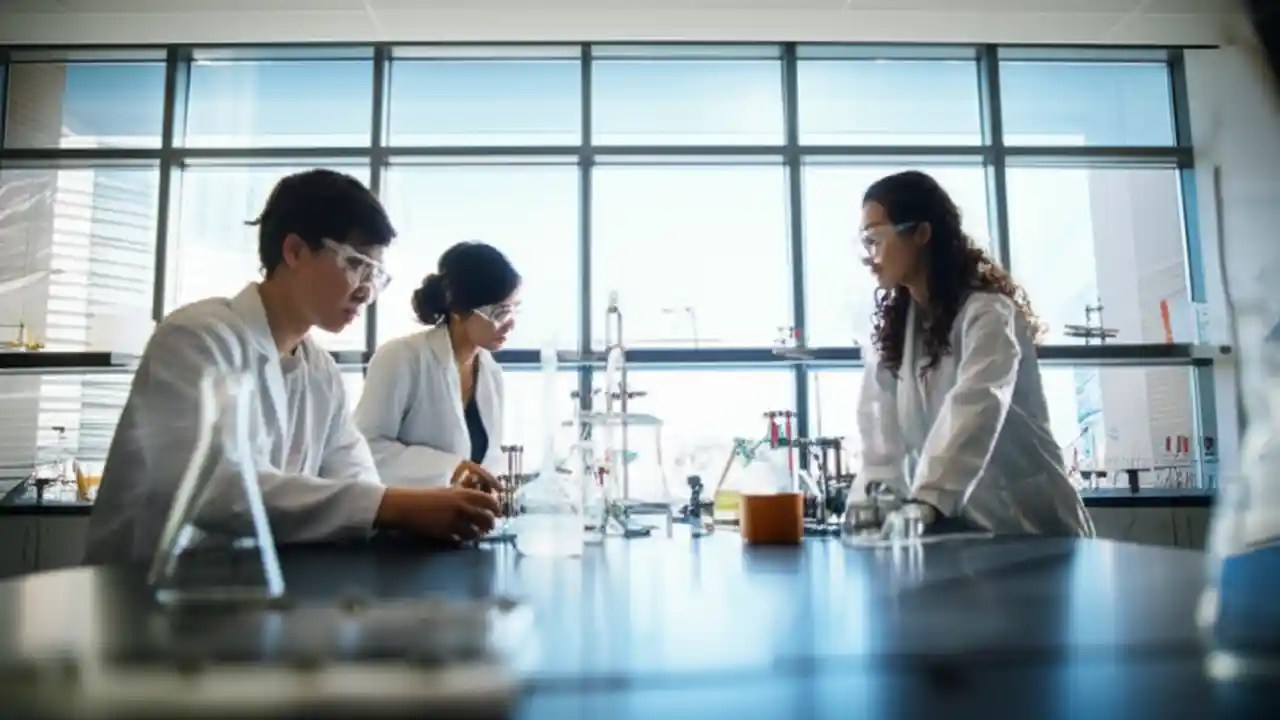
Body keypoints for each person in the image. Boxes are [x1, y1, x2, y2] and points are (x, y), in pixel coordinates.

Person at [85, 169, 500, 565]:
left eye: (376, 274)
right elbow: (213, 489)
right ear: (295, 251)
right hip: (145, 592)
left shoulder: (319, 371)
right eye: (357, 264)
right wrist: (396, 506)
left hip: (249, 591)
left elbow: (357, 481)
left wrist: (416, 512)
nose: (367, 291)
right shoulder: (198, 338)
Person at [855, 170, 1094, 537]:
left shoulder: (988, 314)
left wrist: (929, 499)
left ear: (921, 233)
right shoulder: (897, 336)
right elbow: (879, 436)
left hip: (1034, 531)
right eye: (864, 243)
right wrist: (874, 502)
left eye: (875, 240)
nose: (868, 257)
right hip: (966, 535)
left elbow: (977, 403)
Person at [355, 242, 519, 488]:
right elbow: (366, 449)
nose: (510, 324)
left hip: (465, 512)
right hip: (402, 511)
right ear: (459, 309)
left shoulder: (491, 373)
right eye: (499, 313)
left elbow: (488, 463)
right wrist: (452, 469)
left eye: (514, 310)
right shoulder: (401, 357)